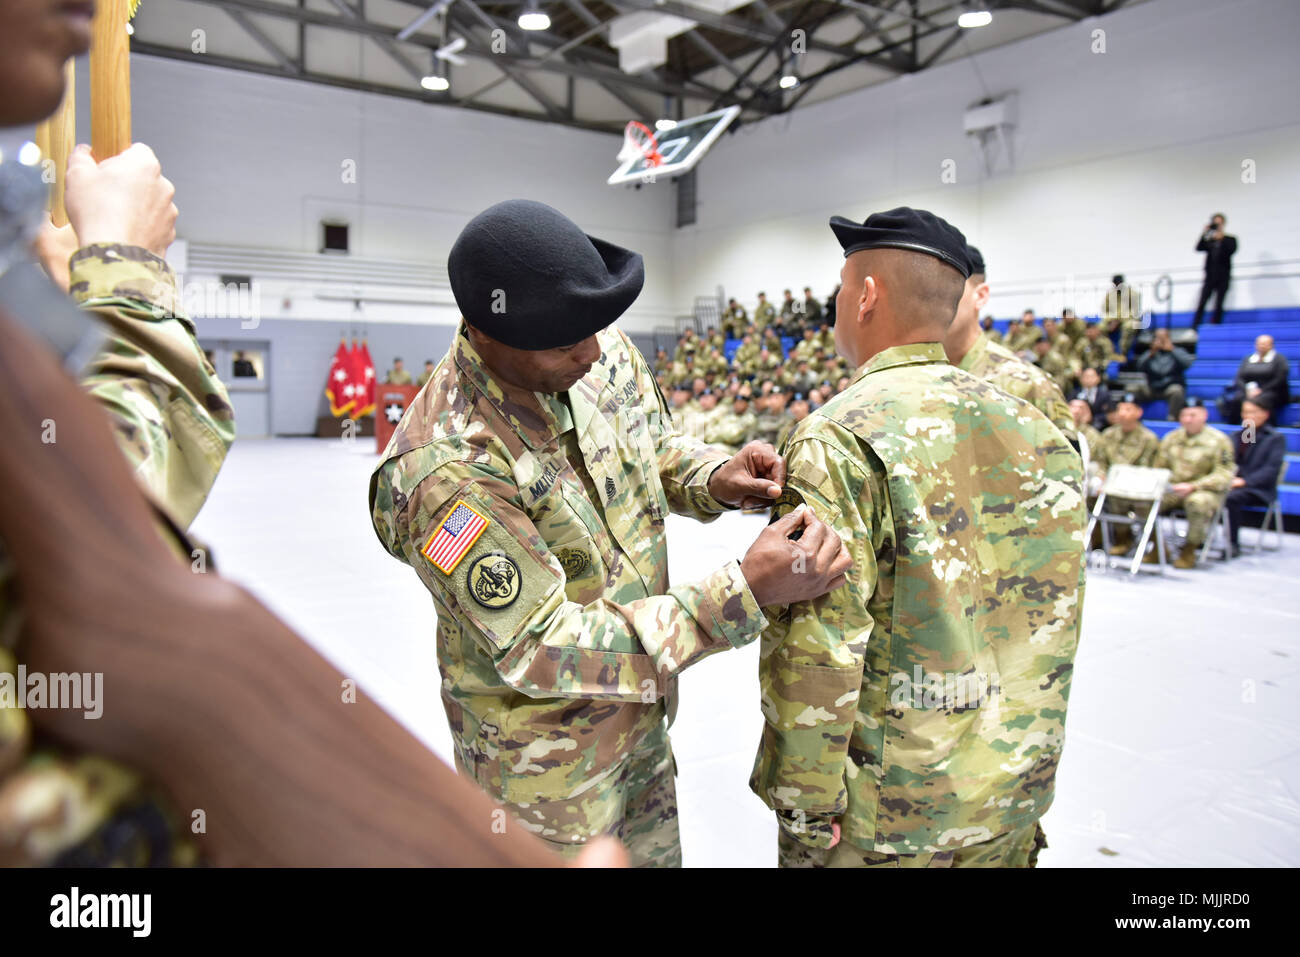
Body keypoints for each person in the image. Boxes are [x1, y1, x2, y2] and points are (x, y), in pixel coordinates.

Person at [368, 199, 850, 865]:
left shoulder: (595, 349)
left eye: (598, 329)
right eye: (570, 342)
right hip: (547, 779)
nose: (595, 353)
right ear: (489, 334)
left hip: (642, 724)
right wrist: (741, 590)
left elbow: (651, 448)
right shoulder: (445, 468)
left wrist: (713, 475)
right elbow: (541, 646)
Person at [751, 207, 1085, 868]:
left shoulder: (841, 435)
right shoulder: (1039, 427)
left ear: (867, 296)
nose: (838, 307)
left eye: (842, 291)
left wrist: (806, 806)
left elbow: (818, 644)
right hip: (1010, 794)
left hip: (890, 817)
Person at [940, 246, 1078, 448]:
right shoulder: (909, 378)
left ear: (980, 296)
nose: (930, 300)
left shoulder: (1027, 386)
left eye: (946, 287)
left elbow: (1066, 473)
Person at [1150, 399, 1235, 568]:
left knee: (1197, 503)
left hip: (1204, 490)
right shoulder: (1171, 439)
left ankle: (1189, 550)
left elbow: (1224, 473)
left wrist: (1194, 486)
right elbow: (1159, 468)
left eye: (1193, 415)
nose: (1188, 419)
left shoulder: (1220, 441)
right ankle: (1158, 548)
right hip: (1174, 489)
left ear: (1204, 415)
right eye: (1184, 415)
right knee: (1145, 501)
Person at [1091, 394, 1161, 556]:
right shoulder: (1108, 435)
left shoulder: (1148, 439)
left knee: (1144, 505)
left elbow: (1152, 468)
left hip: (1138, 487)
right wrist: (1101, 475)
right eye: (1120, 409)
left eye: (1128, 409)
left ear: (1138, 412)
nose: (1122, 413)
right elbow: (1100, 461)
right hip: (1111, 485)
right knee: (1105, 498)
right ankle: (1121, 539)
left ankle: (1155, 546)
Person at [1225, 397, 1286, 555]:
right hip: (1234, 485)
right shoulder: (1240, 435)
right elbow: (1229, 462)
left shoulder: (1274, 438)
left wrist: (1244, 481)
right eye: (1245, 412)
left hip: (1259, 489)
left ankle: (1232, 543)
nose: (1248, 416)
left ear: (1265, 414)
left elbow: (1270, 470)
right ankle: (1199, 539)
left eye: (1253, 412)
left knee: (1232, 498)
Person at [1219, 335, 1289, 424]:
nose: (1261, 346)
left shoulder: (1279, 359)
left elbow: (1280, 379)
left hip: (1271, 391)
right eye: (1259, 344)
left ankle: (1268, 428)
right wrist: (1247, 390)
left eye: (1264, 344)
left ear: (1271, 345)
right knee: (1237, 398)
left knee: (1263, 400)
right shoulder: (1248, 359)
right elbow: (1239, 377)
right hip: (1248, 390)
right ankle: (1233, 425)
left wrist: (1261, 390)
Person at [1135, 328, 1193, 419]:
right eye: (1157, 338)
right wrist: (1151, 353)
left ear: (1169, 339)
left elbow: (1187, 364)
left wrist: (1172, 350)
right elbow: (1139, 367)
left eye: (1163, 338)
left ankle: (1172, 418)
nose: (1160, 341)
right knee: (1133, 388)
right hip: (1152, 388)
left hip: (1169, 388)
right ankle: (1134, 416)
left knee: (1177, 390)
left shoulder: (1178, 351)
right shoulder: (1150, 354)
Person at [1193, 213, 1237, 327]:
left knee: (1219, 302)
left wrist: (1222, 238)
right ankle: (1195, 325)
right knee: (1202, 301)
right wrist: (1205, 233)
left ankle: (1216, 324)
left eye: (1219, 223)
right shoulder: (1209, 240)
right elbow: (1198, 247)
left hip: (1223, 276)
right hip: (1210, 276)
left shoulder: (1230, 239)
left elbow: (1232, 250)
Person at [1103, 274, 1144, 359]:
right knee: (1100, 326)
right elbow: (1105, 309)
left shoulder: (1133, 294)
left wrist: (1118, 320)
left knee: (1128, 327)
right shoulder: (1110, 295)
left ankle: (1123, 353)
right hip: (1113, 319)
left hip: (1129, 319)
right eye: (1115, 283)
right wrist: (1111, 320)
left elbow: (1134, 312)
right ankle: (1106, 351)